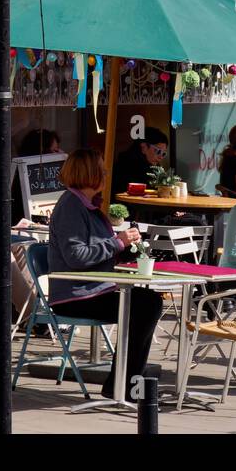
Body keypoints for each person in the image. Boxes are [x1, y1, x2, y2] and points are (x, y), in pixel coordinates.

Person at [48, 149, 164, 398]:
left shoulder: (87, 206)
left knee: (148, 302)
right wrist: (117, 242)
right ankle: (124, 384)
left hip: (93, 289)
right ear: (89, 173)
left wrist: (128, 248)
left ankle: (124, 382)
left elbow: (101, 253)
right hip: (75, 295)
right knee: (146, 305)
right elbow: (76, 256)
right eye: (101, 169)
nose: (105, 173)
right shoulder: (71, 206)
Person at [110, 126, 169, 200]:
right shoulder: (127, 166)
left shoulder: (155, 167)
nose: (161, 157)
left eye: (163, 154)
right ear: (144, 147)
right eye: (158, 151)